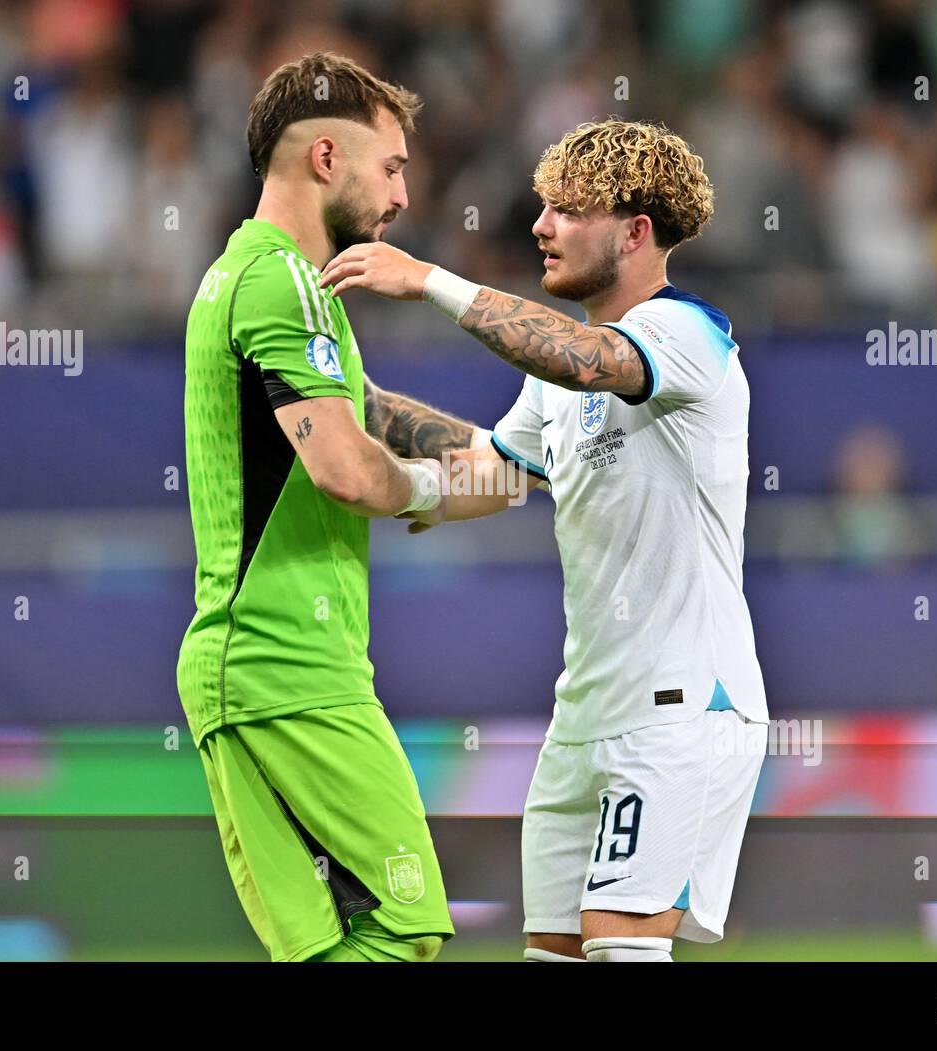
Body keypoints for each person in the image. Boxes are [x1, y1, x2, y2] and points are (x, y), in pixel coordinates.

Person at [320, 119, 770, 963]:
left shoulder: (688, 335)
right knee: (554, 956)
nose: (541, 226)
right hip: (584, 714)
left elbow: (593, 361)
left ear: (635, 232)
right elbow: (488, 473)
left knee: (621, 950)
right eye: (544, 207)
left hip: (680, 705)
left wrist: (429, 282)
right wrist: (336, 388)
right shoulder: (554, 382)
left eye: (568, 209)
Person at [177, 51, 479, 963]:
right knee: (405, 923)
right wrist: (433, 489)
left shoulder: (259, 279)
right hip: (286, 667)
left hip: (253, 668)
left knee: (325, 948)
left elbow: (369, 408)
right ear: (323, 159)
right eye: (389, 167)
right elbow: (346, 468)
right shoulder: (283, 284)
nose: (401, 197)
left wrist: (505, 459)